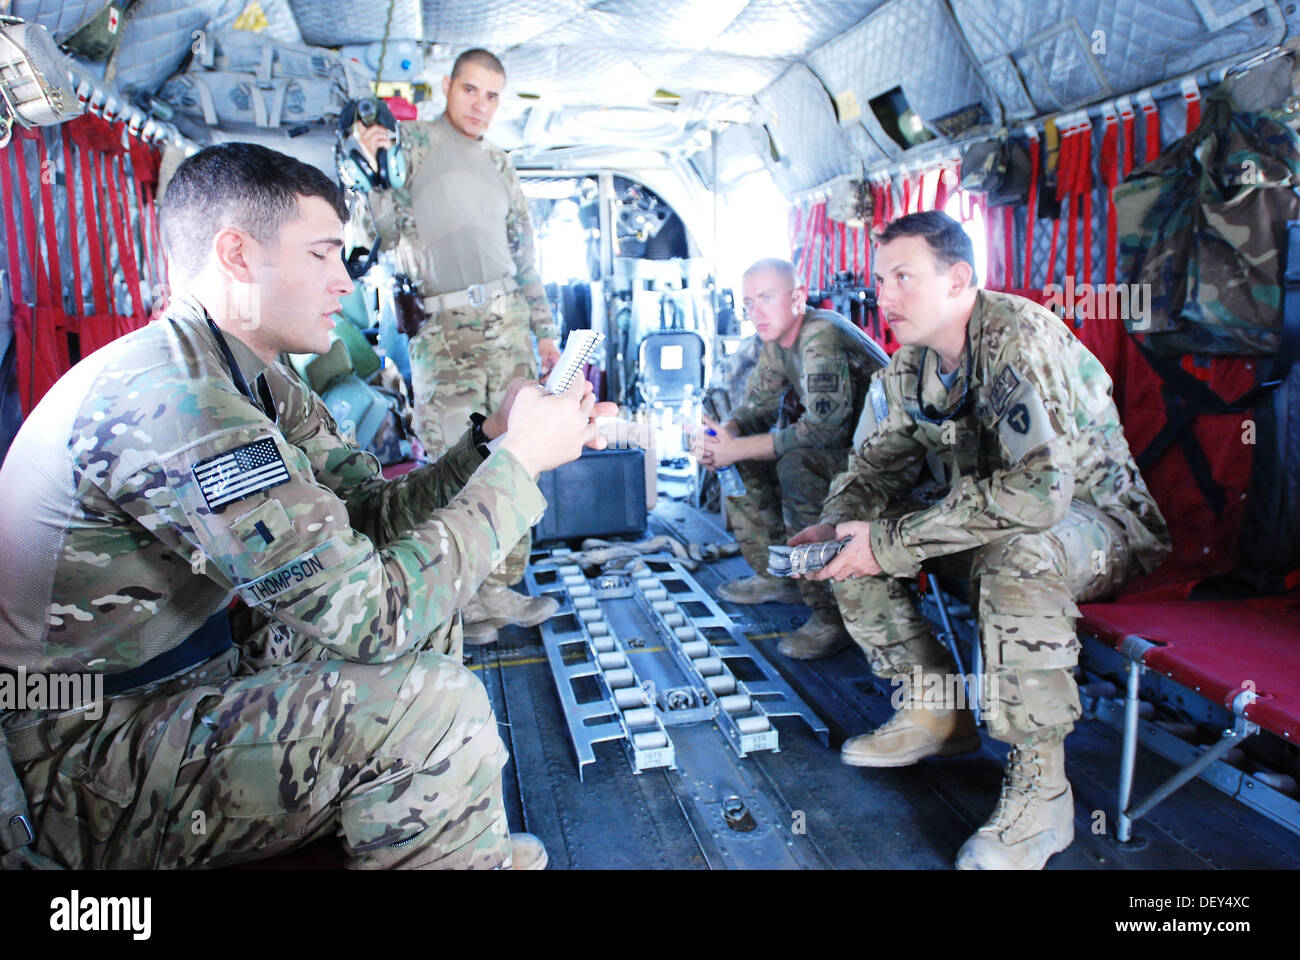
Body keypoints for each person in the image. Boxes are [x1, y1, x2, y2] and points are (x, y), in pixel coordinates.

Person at [0, 141, 613, 870]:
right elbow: (374, 617)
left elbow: (371, 518)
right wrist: (520, 466)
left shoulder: (252, 376)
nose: (342, 285)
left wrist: (489, 442)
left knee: (430, 605)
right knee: (431, 710)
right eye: (321, 256)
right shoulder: (179, 402)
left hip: (185, 678)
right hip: (79, 756)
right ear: (237, 256)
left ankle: (443, 834)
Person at [790, 211, 1170, 869]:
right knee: (854, 541)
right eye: (881, 279)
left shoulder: (1016, 339)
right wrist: (837, 526)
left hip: (1098, 524)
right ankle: (936, 708)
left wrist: (894, 539)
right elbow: (868, 474)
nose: (884, 296)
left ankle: (1042, 793)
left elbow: (1040, 495)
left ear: (959, 277)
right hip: (986, 520)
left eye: (903, 277)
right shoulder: (909, 371)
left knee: (1015, 554)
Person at [357, 47, 560, 644]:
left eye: (493, 96)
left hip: (508, 326)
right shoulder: (409, 145)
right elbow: (379, 233)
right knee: (454, 461)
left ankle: (499, 590)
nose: (481, 105)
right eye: (471, 90)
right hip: (444, 335)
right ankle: (457, 598)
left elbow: (525, 257)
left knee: (520, 450)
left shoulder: (500, 163)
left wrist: (545, 333)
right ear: (447, 87)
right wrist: (372, 170)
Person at [693, 258, 887, 660]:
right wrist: (723, 434)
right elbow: (757, 407)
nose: (755, 312)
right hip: (849, 449)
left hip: (892, 459)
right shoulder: (776, 343)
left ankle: (832, 615)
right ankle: (777, 575)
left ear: (797, 298)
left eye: (766, 298)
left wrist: (735, 446)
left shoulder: (820, 335)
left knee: (798, 468)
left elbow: (823, 430)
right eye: (748, 303)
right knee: (744, 454)